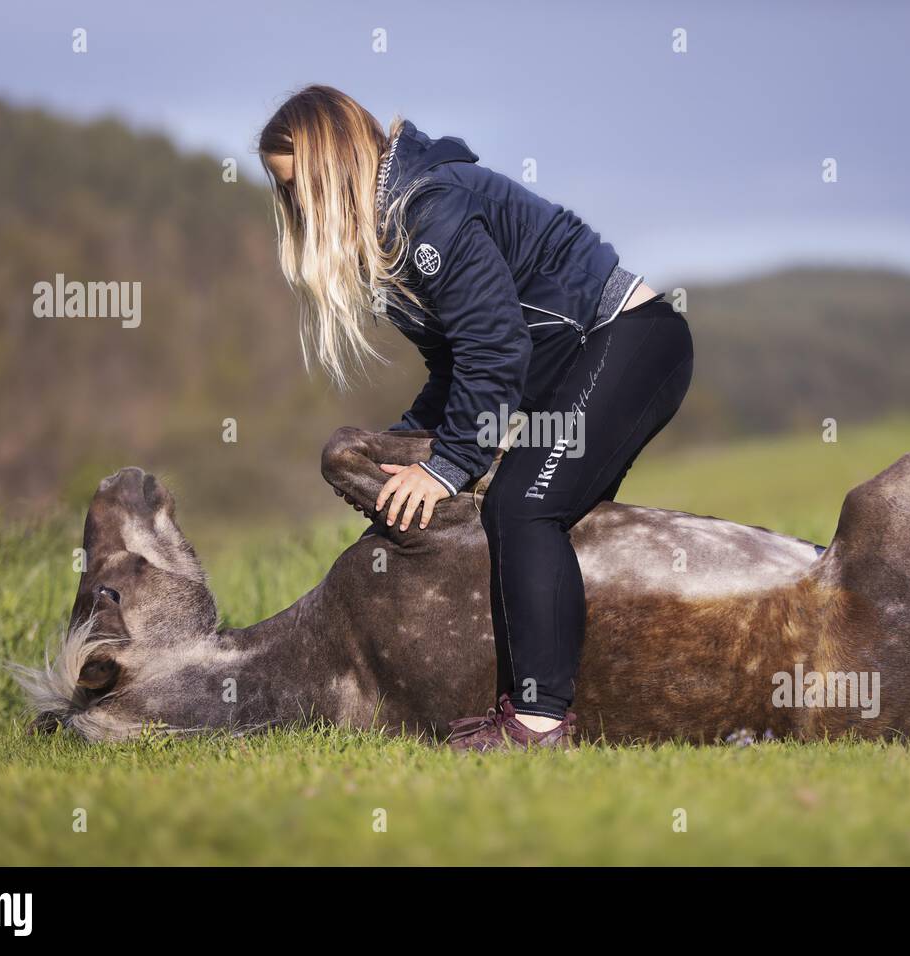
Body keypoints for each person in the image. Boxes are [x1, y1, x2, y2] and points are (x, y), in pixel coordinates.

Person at [260, 86, 693, 750]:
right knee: (544, 516)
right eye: (283, 192)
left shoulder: (431, 214)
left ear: (334, 168)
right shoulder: (394, 235)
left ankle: (539, 725)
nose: (295, 207)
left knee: (523, 506)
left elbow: (496, 350)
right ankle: (582, 695)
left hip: (631, 340)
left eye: (298, 188)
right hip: (580, 362)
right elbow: (456, 369)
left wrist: (444, 467)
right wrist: (406, 445)